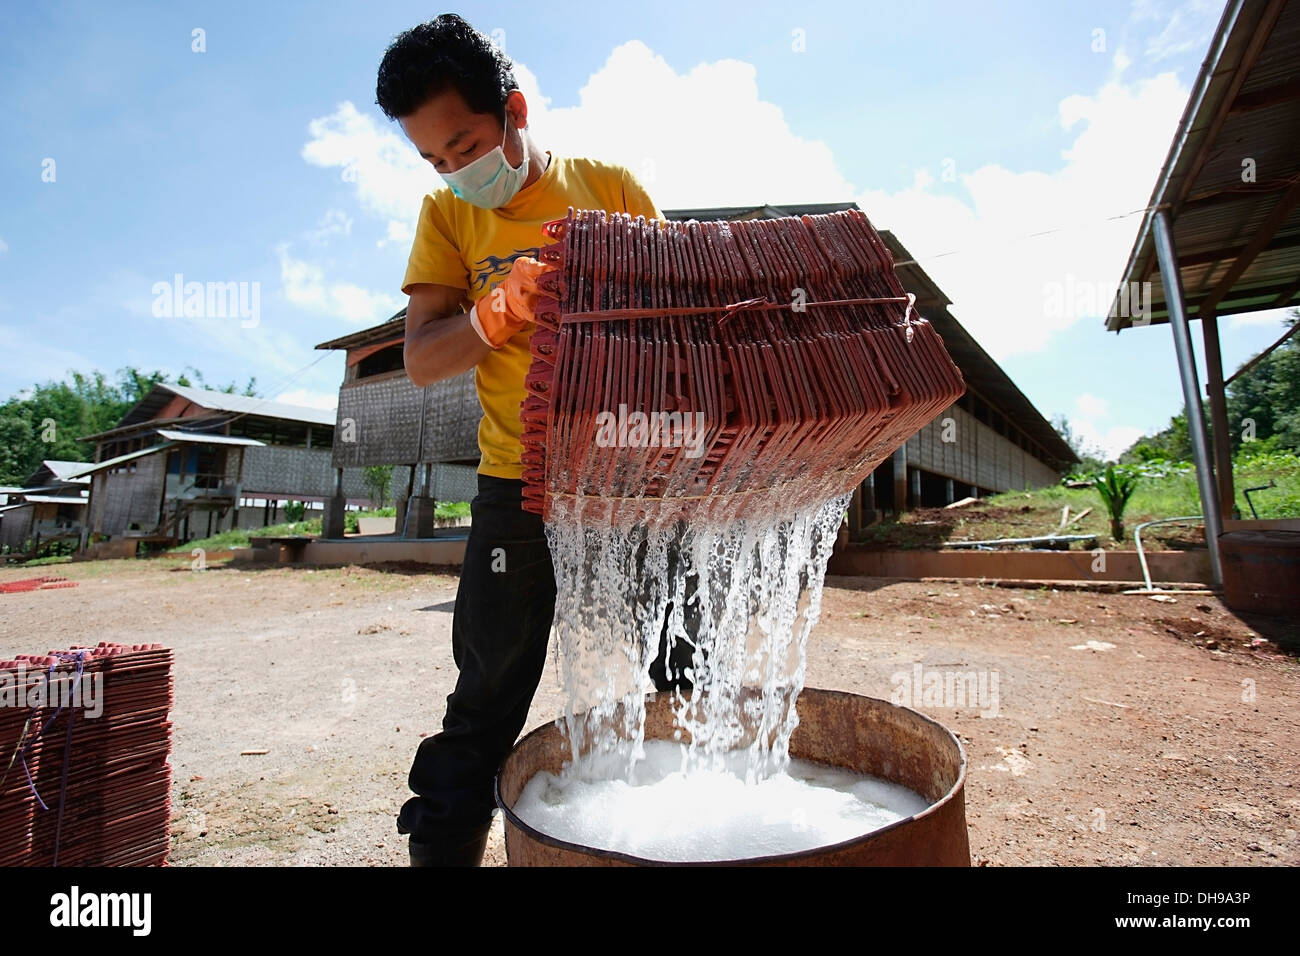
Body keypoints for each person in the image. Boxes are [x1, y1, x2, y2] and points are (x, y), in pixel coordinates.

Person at [376, 13, 694, 867]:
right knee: (485, 696)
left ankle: (707, 835)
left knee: (685, 665)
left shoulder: (612, 186)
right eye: (434, 159)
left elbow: (685, 324)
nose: (453, 170)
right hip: (516, 487)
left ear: (514, 109)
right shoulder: (447, 218)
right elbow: (420, 359)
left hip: (632, 483)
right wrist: (494, 313)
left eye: (465, 143)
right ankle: (444, 851)